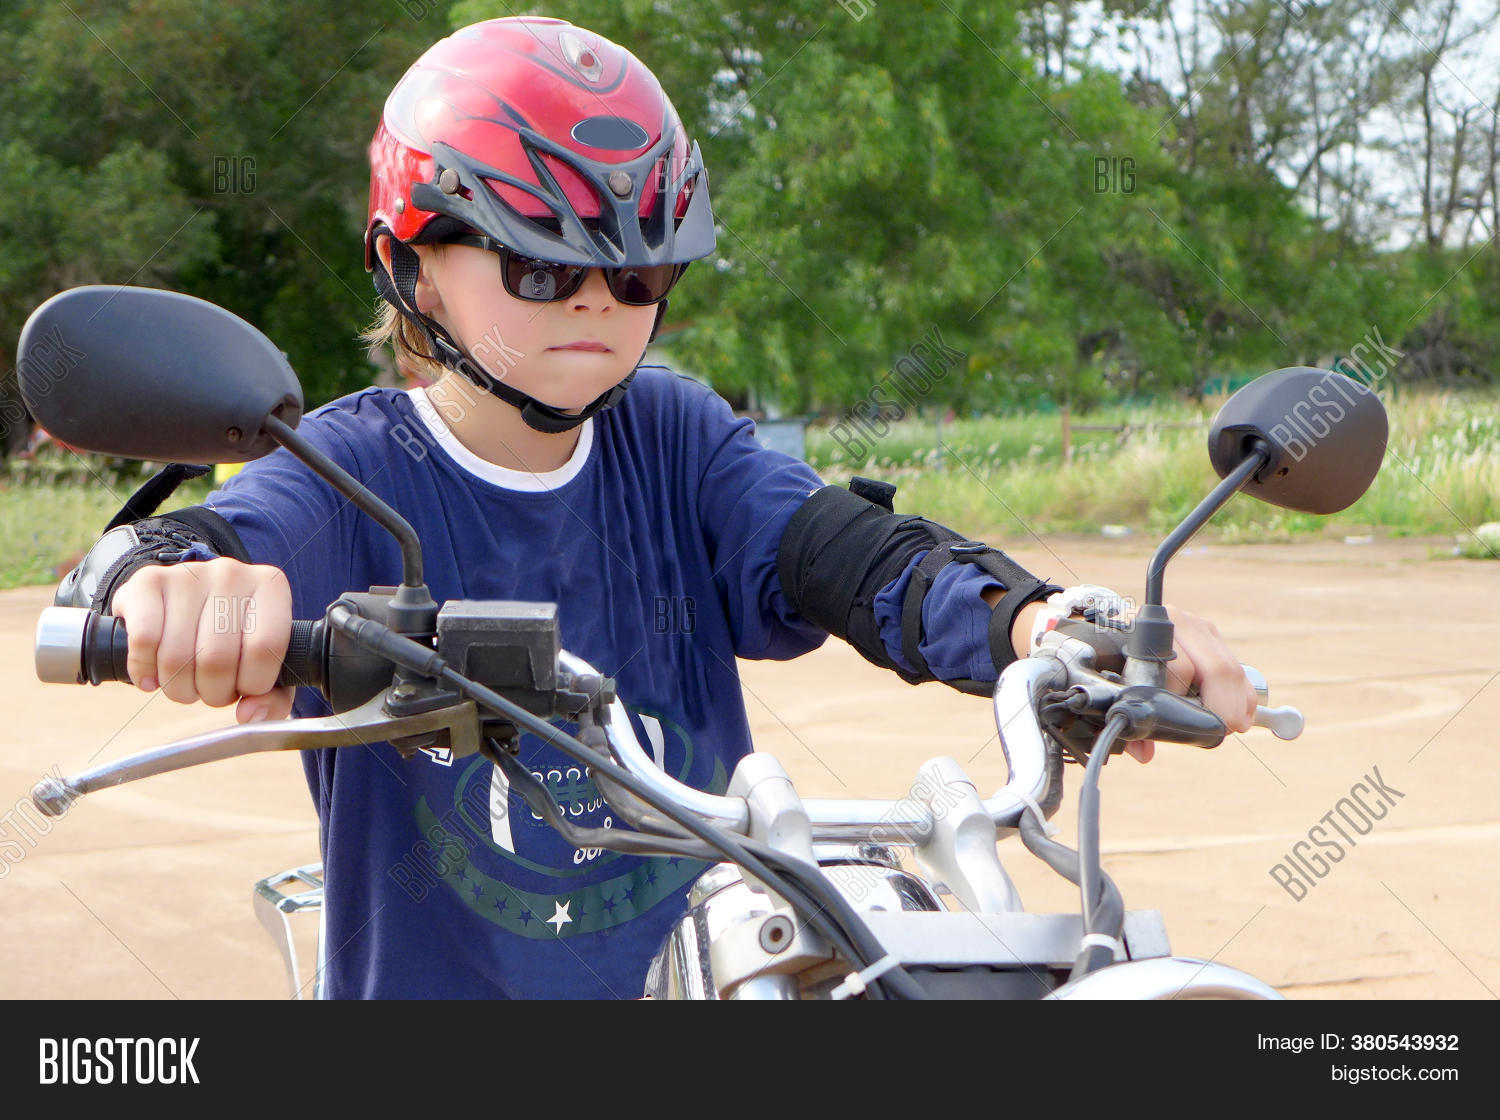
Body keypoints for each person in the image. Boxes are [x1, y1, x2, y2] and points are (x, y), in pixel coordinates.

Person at [74, 16, 1256, 998]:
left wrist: (1042, 622)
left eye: (636, 275)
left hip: (724, 971)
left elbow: (849, 554)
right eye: (540, 267)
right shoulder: (351, 472)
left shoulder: (674, 438)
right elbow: (188, 547)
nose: (595, 302)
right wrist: (165, 583)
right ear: (409, 265)